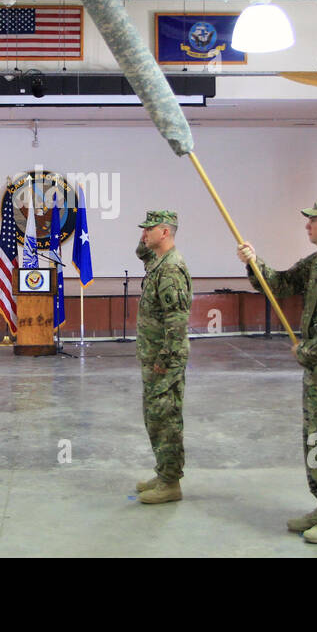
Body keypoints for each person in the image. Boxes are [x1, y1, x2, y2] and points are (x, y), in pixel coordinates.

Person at [238, 199, 317, 544]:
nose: (308, 225)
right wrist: (255, 262)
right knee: (316, 440)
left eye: (315, 220)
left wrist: (307, 351)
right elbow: (280, 284)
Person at [133, 210, 191, 505]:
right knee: (155, 417)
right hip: (153, 355)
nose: (144, 233)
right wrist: (145, 236)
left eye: (150, 229)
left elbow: (177, 320)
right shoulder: (157, 261)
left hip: (164, 359)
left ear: (165, 232)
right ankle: (164, 472)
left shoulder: (171, 269)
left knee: (166, 418)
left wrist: (165, 358)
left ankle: (171, 483)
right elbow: (140, 250)